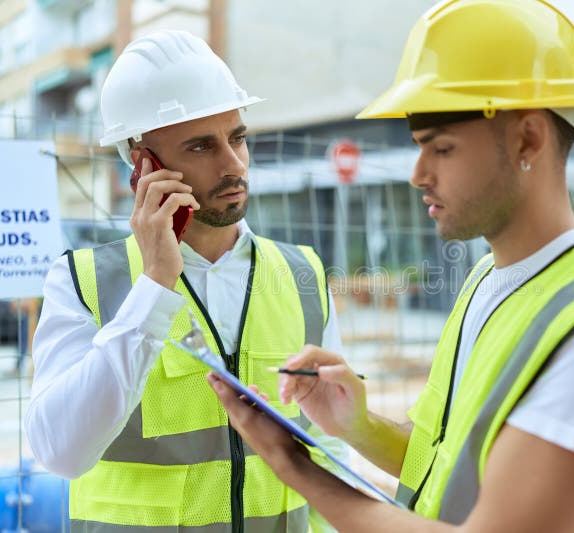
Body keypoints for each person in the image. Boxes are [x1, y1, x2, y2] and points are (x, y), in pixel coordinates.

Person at [207, 1, 574, 532]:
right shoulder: (488, 281)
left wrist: (291, 464)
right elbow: (442, 462)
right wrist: (357, 425)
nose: (417, 174)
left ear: (528, 139)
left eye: (441, 148)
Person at [26, 30, 345, 532]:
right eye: (202, 146)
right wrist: (154, 285)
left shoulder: (303, 273)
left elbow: (329, 449)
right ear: (145, 166)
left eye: (237, 137)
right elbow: (60, 453)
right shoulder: (83, 281)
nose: (234, 163)